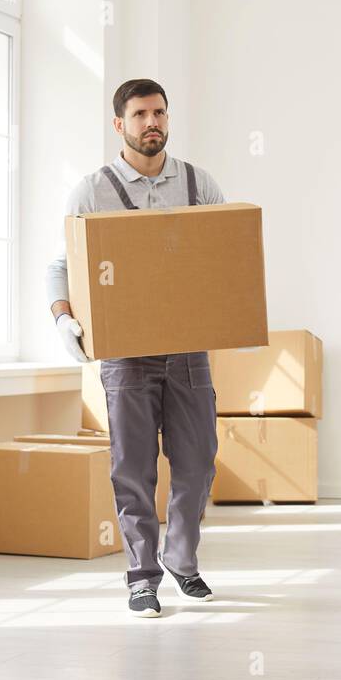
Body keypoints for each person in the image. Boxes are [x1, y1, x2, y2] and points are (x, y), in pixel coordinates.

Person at [46, 78, 224, 617]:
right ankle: (142, 576)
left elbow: (225, 250)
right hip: (125, 352)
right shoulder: (92, 190)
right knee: (133, 467)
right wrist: (63, 318)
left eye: (161, 113)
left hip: (188, 349)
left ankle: (181, 558)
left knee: (197, 464)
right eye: (142, 114)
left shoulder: (197, 183)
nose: (154, 123)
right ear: (119, 124)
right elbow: (62, 264)